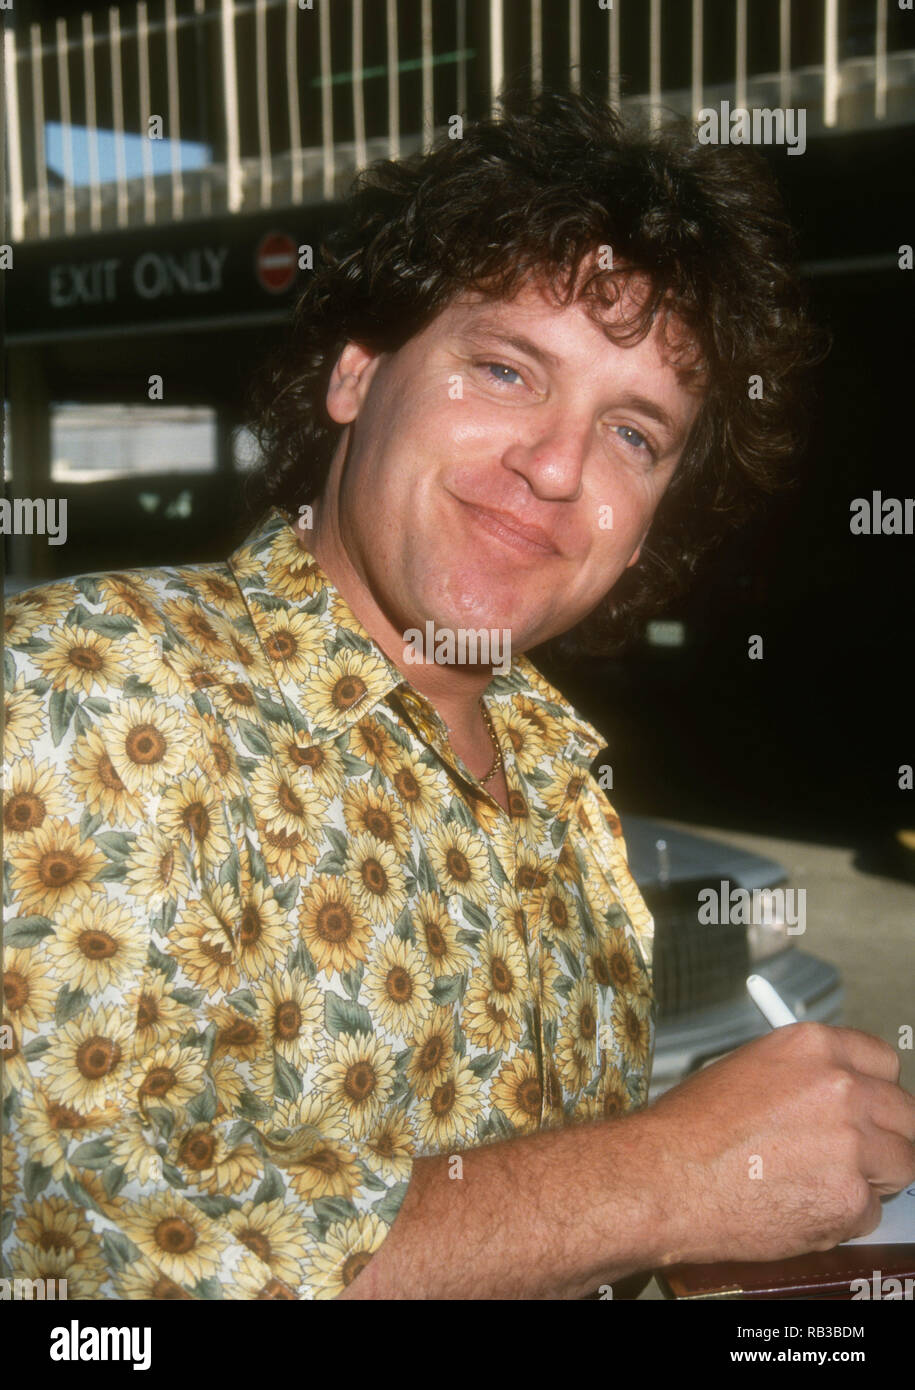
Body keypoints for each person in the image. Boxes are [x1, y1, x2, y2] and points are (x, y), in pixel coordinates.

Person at [2, 90, 913, 1302]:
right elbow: (73, 1261)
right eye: (502, 368)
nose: (554, 465)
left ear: (643, 532)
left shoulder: (560, 775)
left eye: (633, 434)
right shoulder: (84, 684)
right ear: (355, 374)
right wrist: (666, 1170)